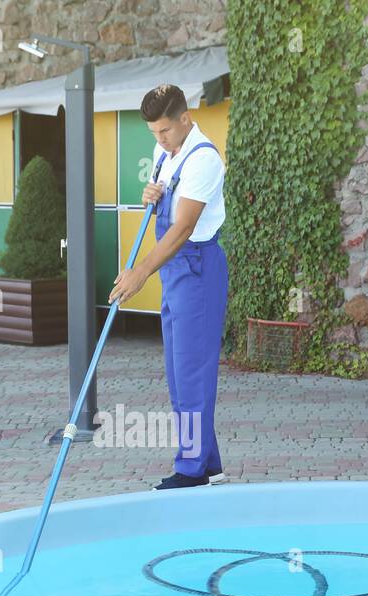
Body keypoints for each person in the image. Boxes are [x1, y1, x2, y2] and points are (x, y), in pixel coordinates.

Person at [109, 83, 229, 491]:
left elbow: (183, 228)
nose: (159, 140)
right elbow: (165, 205)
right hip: (174, 273)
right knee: (179, 374)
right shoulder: (167, 152)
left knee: (193, 371)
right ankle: (208, 462)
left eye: (164, 131)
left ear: (185, 118)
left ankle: (191, 471)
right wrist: (151, 194)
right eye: (153, 133)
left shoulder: (204, 159)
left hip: (196, 268)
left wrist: (140, 273)